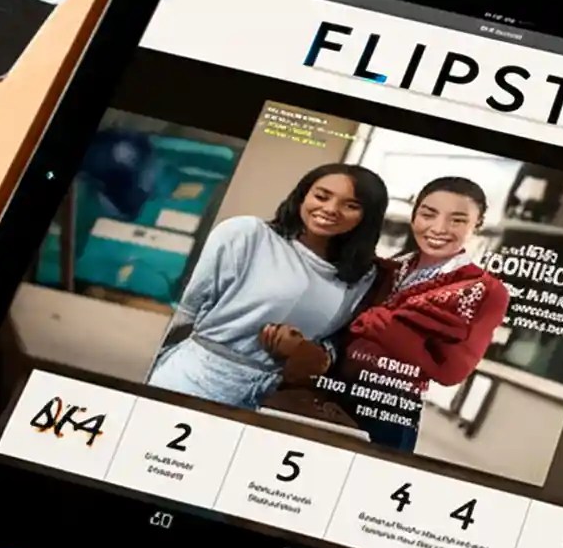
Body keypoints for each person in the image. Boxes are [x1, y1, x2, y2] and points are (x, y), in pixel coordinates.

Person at [147, 163, 389, 410]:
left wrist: (311, 353)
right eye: (321, 196)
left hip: (272, 401)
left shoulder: (363, 276)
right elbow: (185, 314)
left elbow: (336, 340)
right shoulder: (247, 234)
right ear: (303, 195)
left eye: (351, 206)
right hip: (196, 381)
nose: (330, 209)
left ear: (367, 217)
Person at [339, 176, 511, 451]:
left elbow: (451, 371)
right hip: (332, 390)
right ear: (414, 215)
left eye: (457, 220)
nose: (438, 228)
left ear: (476, 226)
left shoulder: (485, 289)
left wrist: (381, 327)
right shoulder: (387, 269)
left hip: (390, 409)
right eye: (428, 214)